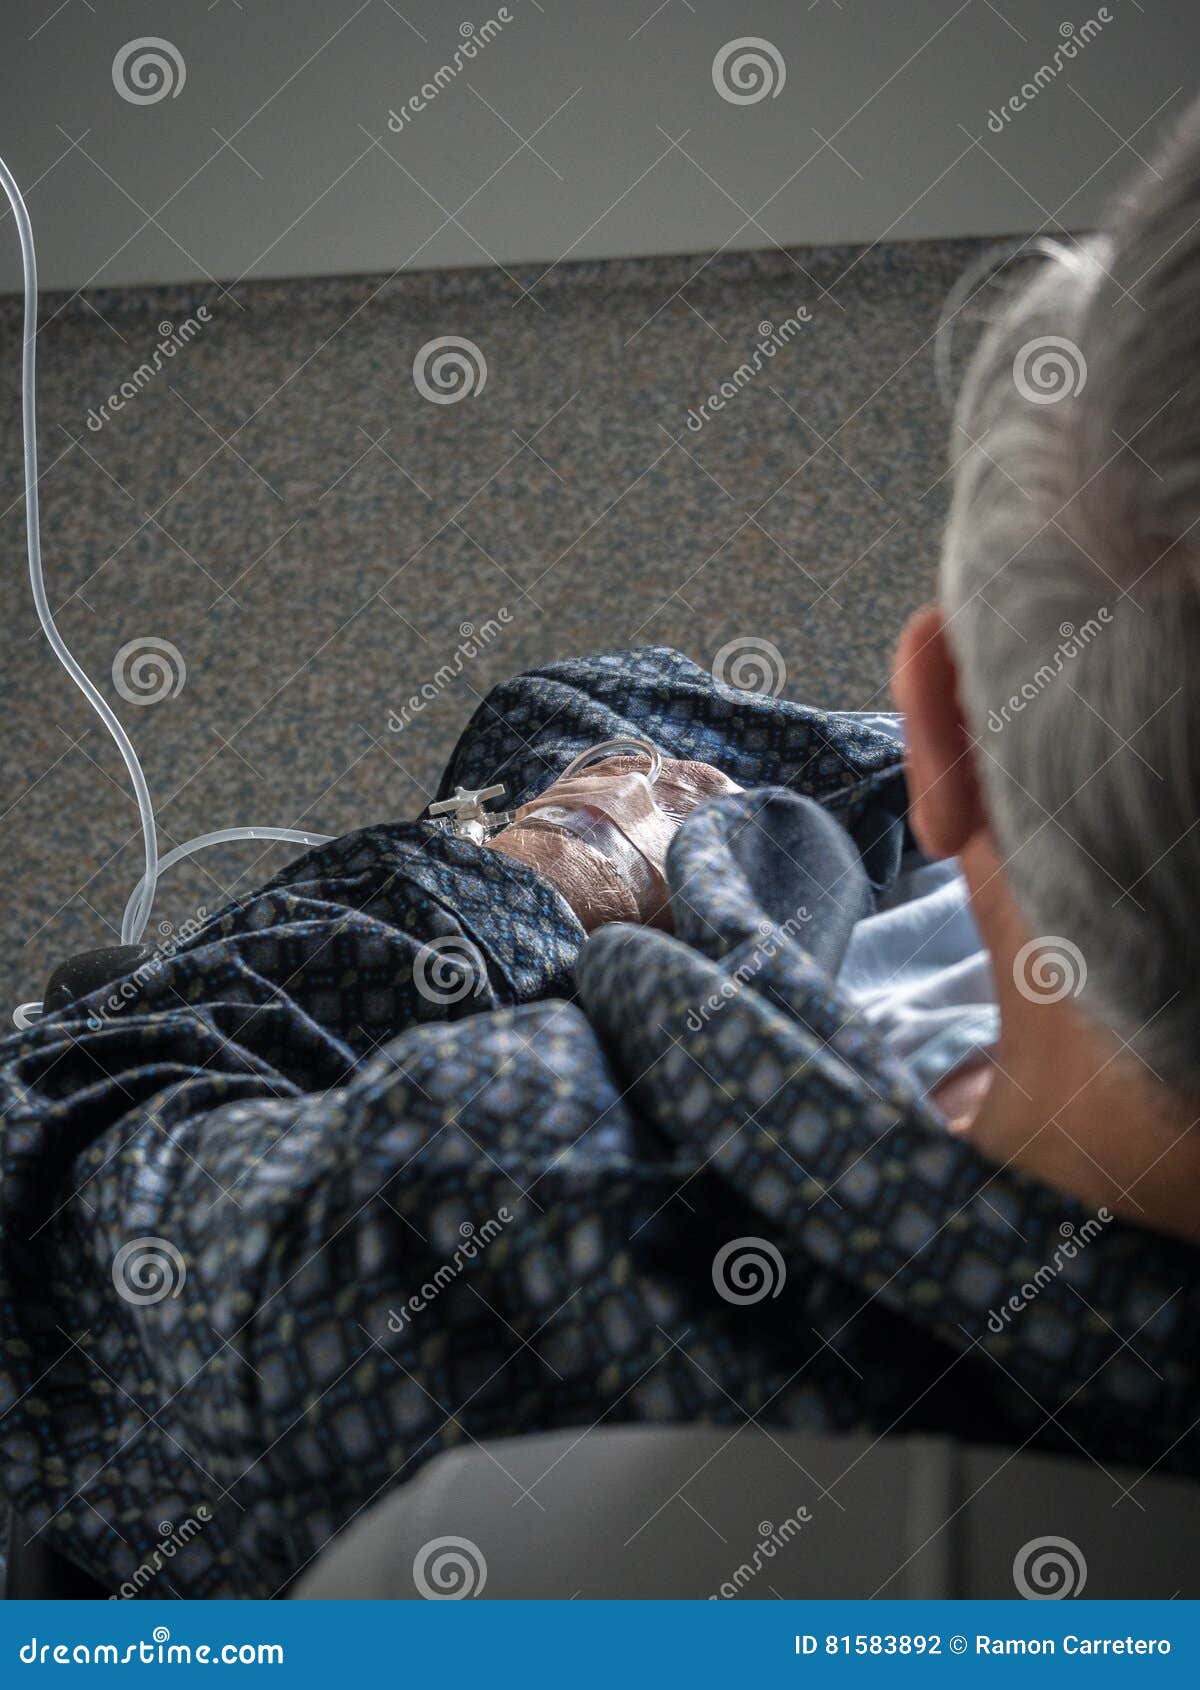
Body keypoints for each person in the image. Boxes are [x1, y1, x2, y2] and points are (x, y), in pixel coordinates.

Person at [4, 109, 1200, 1600]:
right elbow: (600, 709)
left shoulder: (487, 1202)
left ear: (947, 726)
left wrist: (514, 877)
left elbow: (42, 1194)